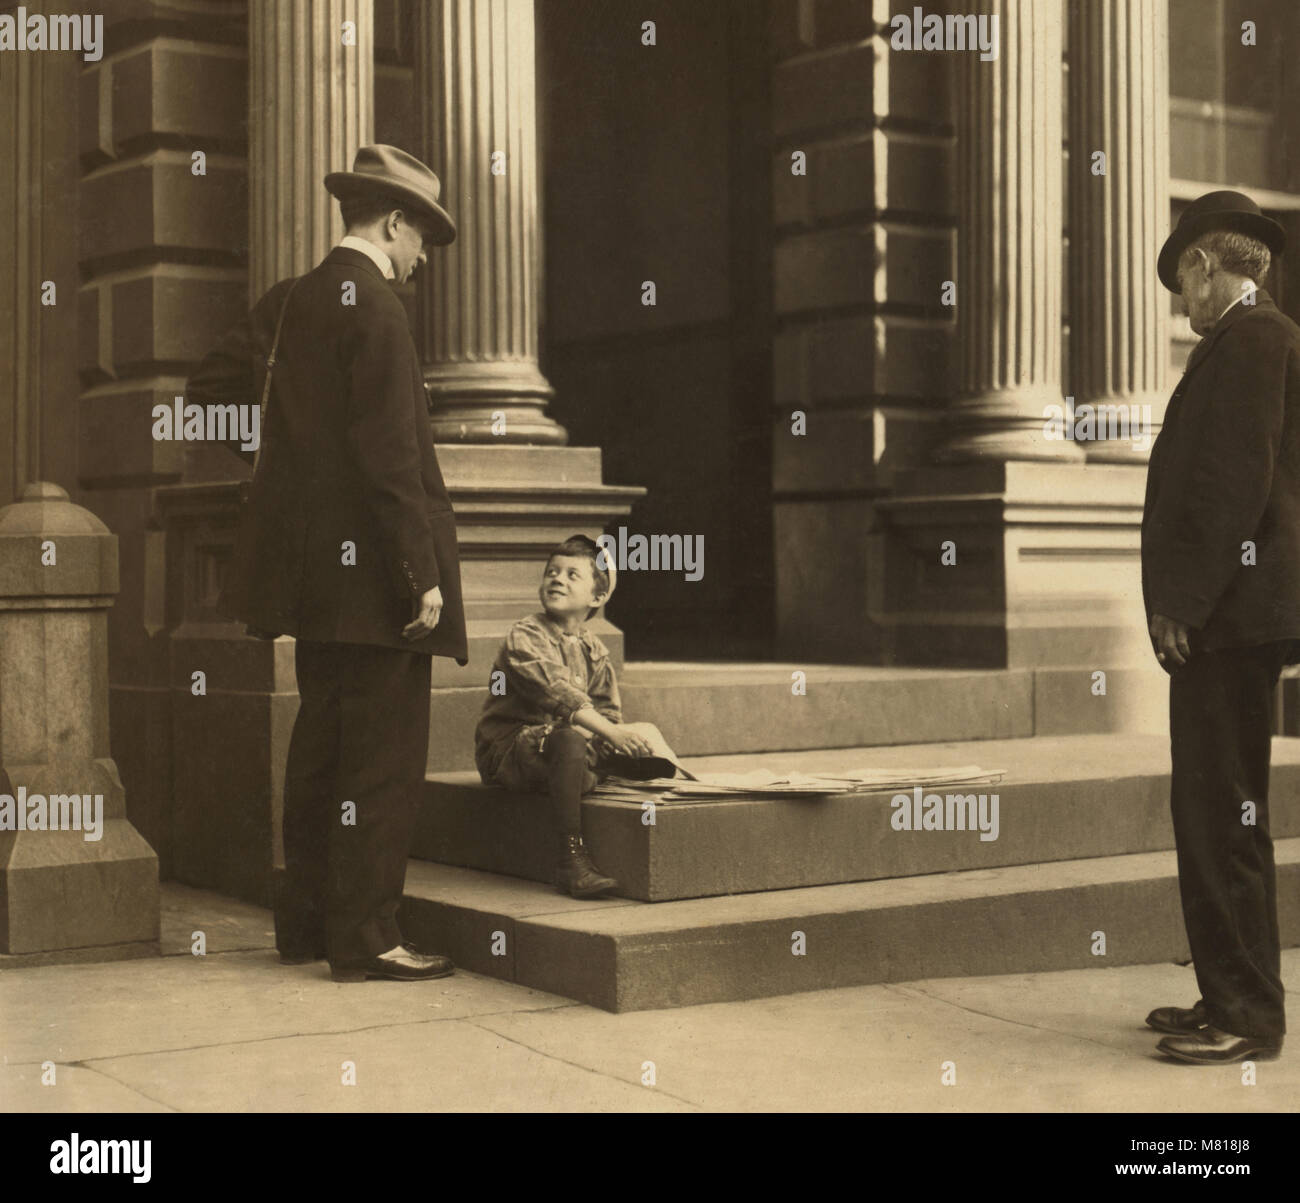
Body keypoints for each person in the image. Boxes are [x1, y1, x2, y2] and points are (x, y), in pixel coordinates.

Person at [187, 145, 469, 983]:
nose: (422, 259)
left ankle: (307, 925)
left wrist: (275, 462)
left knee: (320, 750)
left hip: (312, 580)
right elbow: (390, 459)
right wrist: (421, 573)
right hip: (379, 582)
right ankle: (369, 937)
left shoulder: (292, 301)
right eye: (422, 238)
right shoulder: (377, 309)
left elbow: (208, 387)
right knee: (379, 765)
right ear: (392, 222)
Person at [1142, 189, 1300, 1063]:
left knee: (1224, 814)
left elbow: (1230, 486)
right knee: (1212, 808)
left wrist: (1183, 604)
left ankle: (1246, 1013)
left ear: (1206, 263)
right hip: (1230, 618)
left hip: (1229, 621)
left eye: (1183, 283)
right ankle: (1226, 994)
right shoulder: (1250, 342)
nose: (1183, 302)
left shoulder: (1255, 340)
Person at [475, 535, 653, 897]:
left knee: (631, 738)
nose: (558, 579)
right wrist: (609, 734)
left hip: (562, 747)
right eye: (552, 572)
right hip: (511, 750)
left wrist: (617, 736)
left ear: (597, 598)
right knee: (572, 739)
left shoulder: (594, 649)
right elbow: (555, 691)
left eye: (573, 575)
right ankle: (572, 861)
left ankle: (588, 770)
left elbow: (607, 711)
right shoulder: (525, 634)